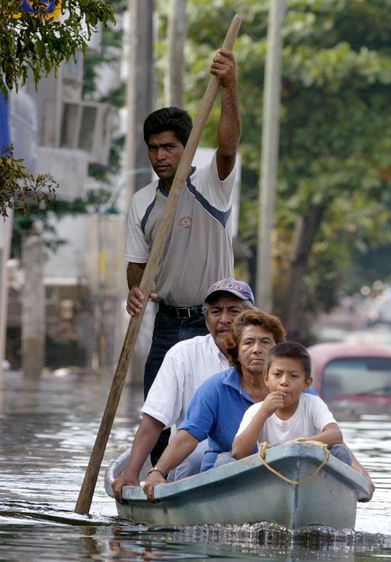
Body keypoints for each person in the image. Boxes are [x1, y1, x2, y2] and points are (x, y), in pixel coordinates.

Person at [124, 48, 241, 462]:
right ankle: (157, 479)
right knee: (156, 420)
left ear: (187, 147)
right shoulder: (141, 202)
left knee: (217, 417)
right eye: (153, 148)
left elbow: (226, 150)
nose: (160, 156)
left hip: (219, 322)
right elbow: (137, 269)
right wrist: (135, 293)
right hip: (169, 322)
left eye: (170, 147)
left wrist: (230, 87)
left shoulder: (212, 185)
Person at [142, 311, 375, 502]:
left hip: (289, 474)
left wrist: (360, 473)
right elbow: (188, 437)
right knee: (221, 460)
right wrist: (157, 472)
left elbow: (334, 436)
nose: (256, 349)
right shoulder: (215, 388)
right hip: (235, 475)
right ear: (237, 350)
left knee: (337, 454)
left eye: (265, 342)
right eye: (248, 342)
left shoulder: (301, 392)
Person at [110, 278, 255, 501]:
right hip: (192, 456)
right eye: (216, 311)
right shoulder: (183, 355)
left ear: (251, 318)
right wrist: (131, 473)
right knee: (198, 454)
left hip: (253, 457)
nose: (224, 320)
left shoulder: (267, 357)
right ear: (206, 320)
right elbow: (154, 420)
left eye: (233, 311)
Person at [231, 341, 352, 466]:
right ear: (266, 378)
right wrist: (263, 412)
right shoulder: (256, 410)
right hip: (272, 470)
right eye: (277, 374)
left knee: (340, 451)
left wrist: (298, 445)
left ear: (307, 383)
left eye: (293, 376)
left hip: (311, 468)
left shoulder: (312, 404)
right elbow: (238, 452)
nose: (284, 382)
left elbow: (336, 435)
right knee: (225, 461)